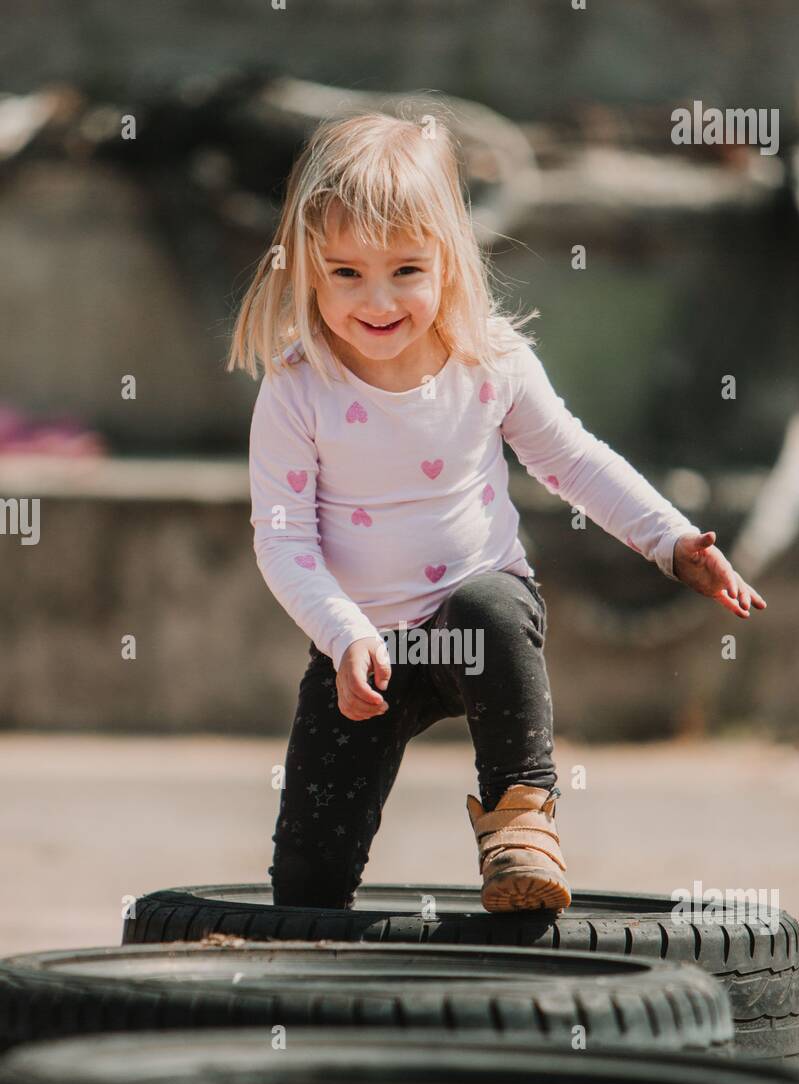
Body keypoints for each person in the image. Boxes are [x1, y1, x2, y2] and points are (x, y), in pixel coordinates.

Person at [227, 110, 765, 914]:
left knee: (489, 605)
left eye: (406, 269)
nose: (376, 301)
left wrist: (672, 541)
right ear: (306, 267)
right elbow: (283, 540)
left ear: (449, 258)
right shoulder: (298, 387)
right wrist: (343, 635)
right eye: (345, 273)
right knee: (305, 889)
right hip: (361, 652)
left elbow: (572, 459)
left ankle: (519, 822)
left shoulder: (490, 360)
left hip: (478, 619)